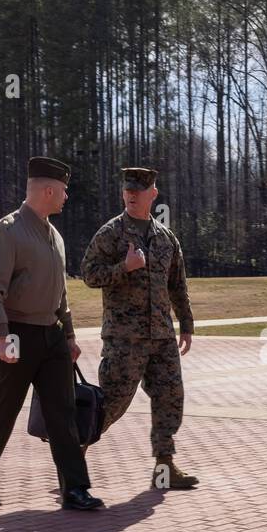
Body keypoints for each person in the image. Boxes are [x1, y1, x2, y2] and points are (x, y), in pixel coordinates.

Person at [0, 156, 102, 511]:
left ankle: (74, 489)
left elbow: (60, 294)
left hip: (51, 335)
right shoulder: (6, 232)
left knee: (63, 412)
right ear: (48, 190)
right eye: (64, 190)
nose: (66, 196)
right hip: (16, 334)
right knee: (2, 408)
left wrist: (69, 336)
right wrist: (1, 336)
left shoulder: (55, 236)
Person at [80, 167, 198, 490]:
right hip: (124, 337)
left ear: (152, 194)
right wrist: (124, 267)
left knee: (170, 397)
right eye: (127, 190)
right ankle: (73, 455)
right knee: (113, 402)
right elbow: (88, 273)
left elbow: (177, 285)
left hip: (161, 335)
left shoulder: (166, 238)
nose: (131, 194)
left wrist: (186, 323)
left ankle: (165, 467)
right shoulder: (111, 234)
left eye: (138, 190)